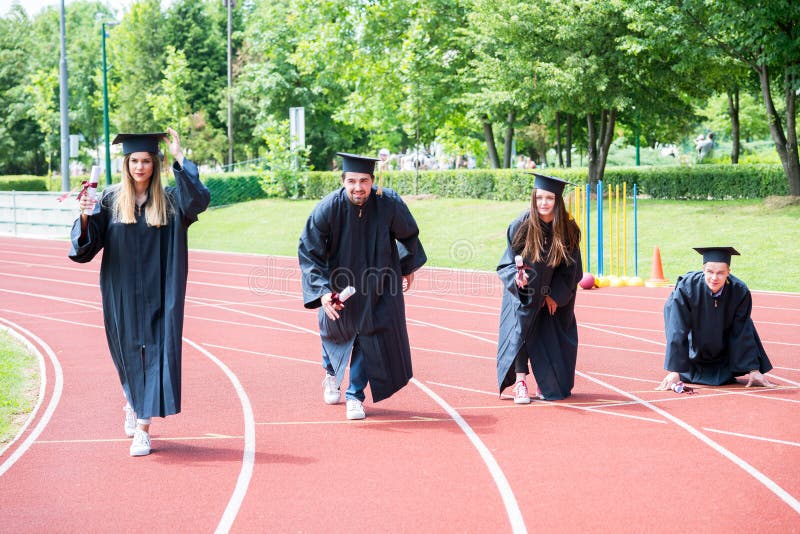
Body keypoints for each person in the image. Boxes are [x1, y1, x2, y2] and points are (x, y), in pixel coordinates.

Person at [69, 128, 210, 456]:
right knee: (128, 353)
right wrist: (84, 215)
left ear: (155, 164)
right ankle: (133, 401)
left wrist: (180, 158)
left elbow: (199, 200)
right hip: (121, 291)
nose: (140, 166)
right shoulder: (109, 198)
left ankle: (143, 429)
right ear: (126, 163)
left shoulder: (172, 201)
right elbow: (86, 247)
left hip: (162, 289)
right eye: (134, 160)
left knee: (158, 355)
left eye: (147, 160)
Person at [298, 152, 427, 420]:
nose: (358, 187)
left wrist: (407, 266)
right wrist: (322, 291)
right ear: (343, 181)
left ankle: (355, 396)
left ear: (373, 181)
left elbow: (408, 234)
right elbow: (309, 250)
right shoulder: (329, 207)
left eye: (364, 181)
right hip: (338, 281)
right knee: (332, 329)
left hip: (379, 282)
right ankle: (331, 373)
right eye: (353, 181)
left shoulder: (388, 202)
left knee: (371, 336)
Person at [496, 174, 583, 403]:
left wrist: (556, 294)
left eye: (550, 198)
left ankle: (547, 383)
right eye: (540, 198)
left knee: (559, 386)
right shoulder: (521, 226)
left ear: (558, 200)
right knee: (520, 331)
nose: (544, 203)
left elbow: (571, 269)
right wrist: (517, 278)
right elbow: (507, 262)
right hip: (524, 293)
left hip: (552, 294)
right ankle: (520, 382)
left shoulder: (568, 230)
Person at [656, 247, 773, 391]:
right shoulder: (686, 288)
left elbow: (742, 331)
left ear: (728, 273)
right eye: (710, 272)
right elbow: (677, 329)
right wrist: (674, 371)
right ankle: (684, 367)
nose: (714, 278)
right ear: (703, 270)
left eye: (720, 273)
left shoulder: (739, 291)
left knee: (745, 326)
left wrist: (753, 370)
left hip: (722, 342)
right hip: (694, 335)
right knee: (678, 330)